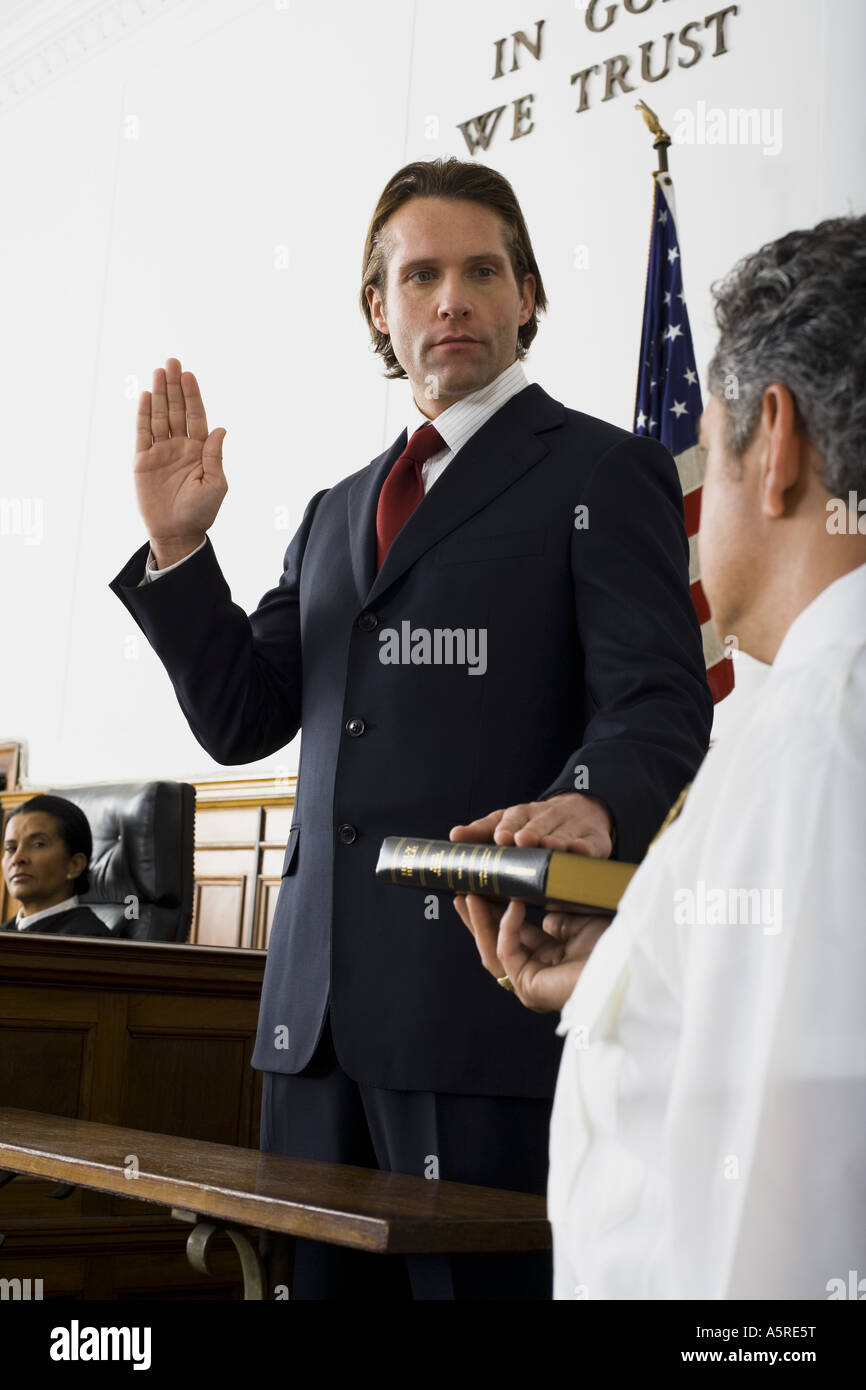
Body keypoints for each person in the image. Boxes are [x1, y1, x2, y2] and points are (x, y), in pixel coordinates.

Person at [110, 157, 713, 1299]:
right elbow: (244, 718)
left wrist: (589, 798)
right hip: (310, 1029)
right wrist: (182, 553)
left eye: (482, 270)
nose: (452, 299)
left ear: (526, 295)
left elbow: (658, 697)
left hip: (479, 1008)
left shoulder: (601, 469)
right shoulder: (335, 510)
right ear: (377, 309)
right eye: (421, 274)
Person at [456, 213, 866, 1299]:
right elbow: (768, 1020)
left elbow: (792, 1210)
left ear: (770, 444)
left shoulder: (823, 728)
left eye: (707, 436)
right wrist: (624, 973)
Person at [1, 795, 112, 937]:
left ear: (74, 865)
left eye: (38, 844)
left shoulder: (90, 942)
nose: (17, 858)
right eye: (11, 848)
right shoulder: (6, 932)